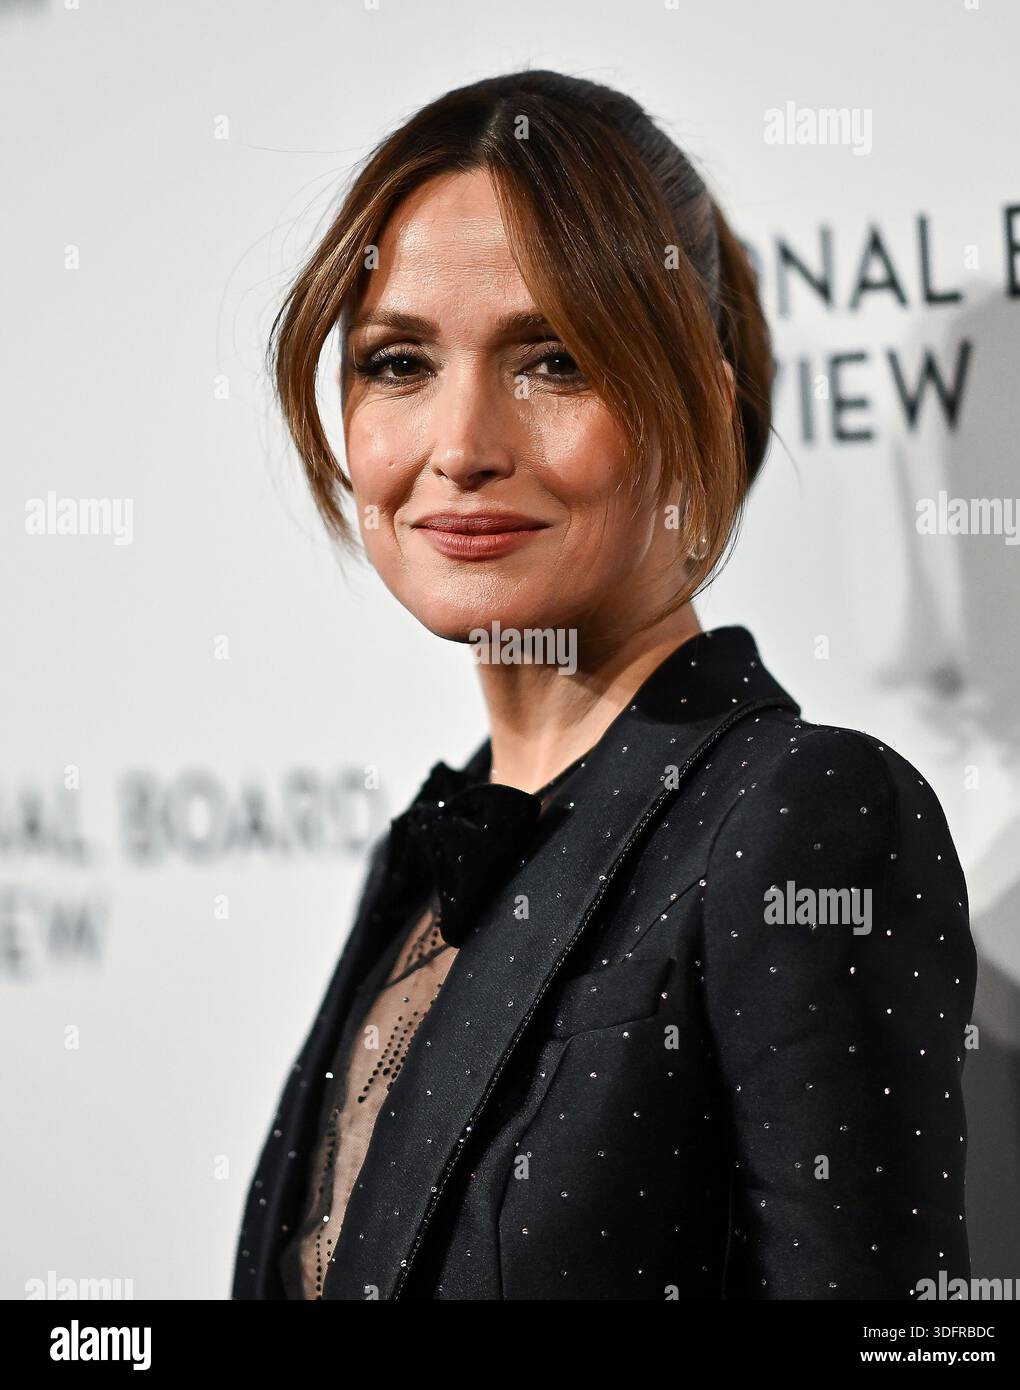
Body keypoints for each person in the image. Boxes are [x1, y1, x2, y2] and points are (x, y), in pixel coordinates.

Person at [231, 69, 976, 1301]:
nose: (461, 446)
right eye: (399, 362)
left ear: (697, 405)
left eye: (554, 361)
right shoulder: (422, 864)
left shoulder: (799, 815)